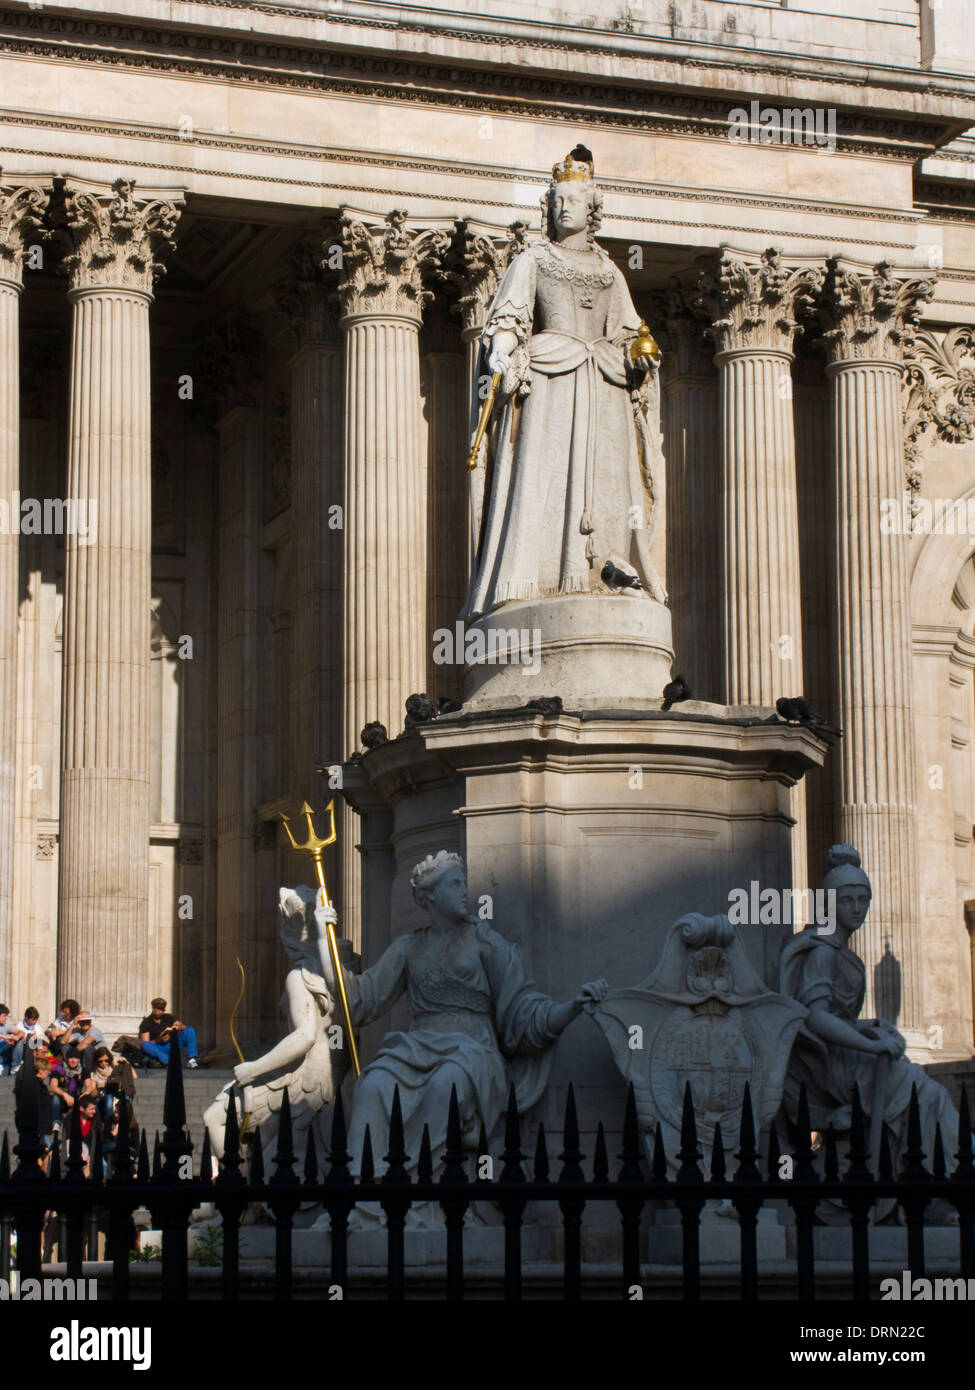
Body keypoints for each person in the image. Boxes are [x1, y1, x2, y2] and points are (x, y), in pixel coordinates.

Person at [314, 850, 608, 1224]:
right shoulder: (409, 947)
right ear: (431, 896)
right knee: (372, 1084)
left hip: (472, 1049)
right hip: (416, 1047)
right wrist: (325, 944)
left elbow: (525, 1012)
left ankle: (416, 1192)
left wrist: (571, 1007)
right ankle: (360, 1196)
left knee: (446, 1085)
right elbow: (359, 1000)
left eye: (463, 882)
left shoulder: (487, 943)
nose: (464, 890)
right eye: (455, 883)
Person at [463, 144, 666, 618]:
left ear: (591, 209)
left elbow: (629, 332)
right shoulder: (531, 261)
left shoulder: (611, 273)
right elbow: (509, 319)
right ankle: (535, 576)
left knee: (610, 485)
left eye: (572, 201)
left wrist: (640, 355)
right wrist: (500, 350)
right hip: (551, 382)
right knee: (543, 478)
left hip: (603, 385)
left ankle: (608, 570)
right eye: (556, 200)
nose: (562, 207)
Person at [778, 845, 960, 1196]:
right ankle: (948, 1183)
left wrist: (872, 1026)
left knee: (922, 1089)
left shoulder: (844, 955)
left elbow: (835, 1017)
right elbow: (814, 1018)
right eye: (848, 900)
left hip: (846, 1052)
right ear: (830, 904)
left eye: (864, 899)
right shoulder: (822, 952)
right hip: (828, 1063)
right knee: (926, 1091)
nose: (858, 908)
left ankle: (934, 1180)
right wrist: (871, 1043)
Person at [206, 886, 346, 1164]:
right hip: (333, 1074)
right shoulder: (342, 968)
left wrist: (253, 1069)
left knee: (215, 1116)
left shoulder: (300, 975)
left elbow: (304, 1036)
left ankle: (241, 1187)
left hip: (308, 1075)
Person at [138, 998, 199, 1068]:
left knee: (189, 1030)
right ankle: (168, 1061)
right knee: (145, 1045)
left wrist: (179, 1027)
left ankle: (191, 1059)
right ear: (153, 1008)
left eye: (161, 1010)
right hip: (159, 1047)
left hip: (172, 1044)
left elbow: (182, 1026)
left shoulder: (168, 1017)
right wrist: (159, 1040)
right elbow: (145, 1041)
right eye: (157, 1009)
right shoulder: (146, 1022)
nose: (159, 1012)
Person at [0, 1005, 24, 1074]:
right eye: (4, 1016)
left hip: (4, 1050)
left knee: (20, 1040)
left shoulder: (5, 1025)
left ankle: (15, 1067)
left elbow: (22, 1032)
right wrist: (8, 1038)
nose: (6, 1018)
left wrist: (17, 1037)